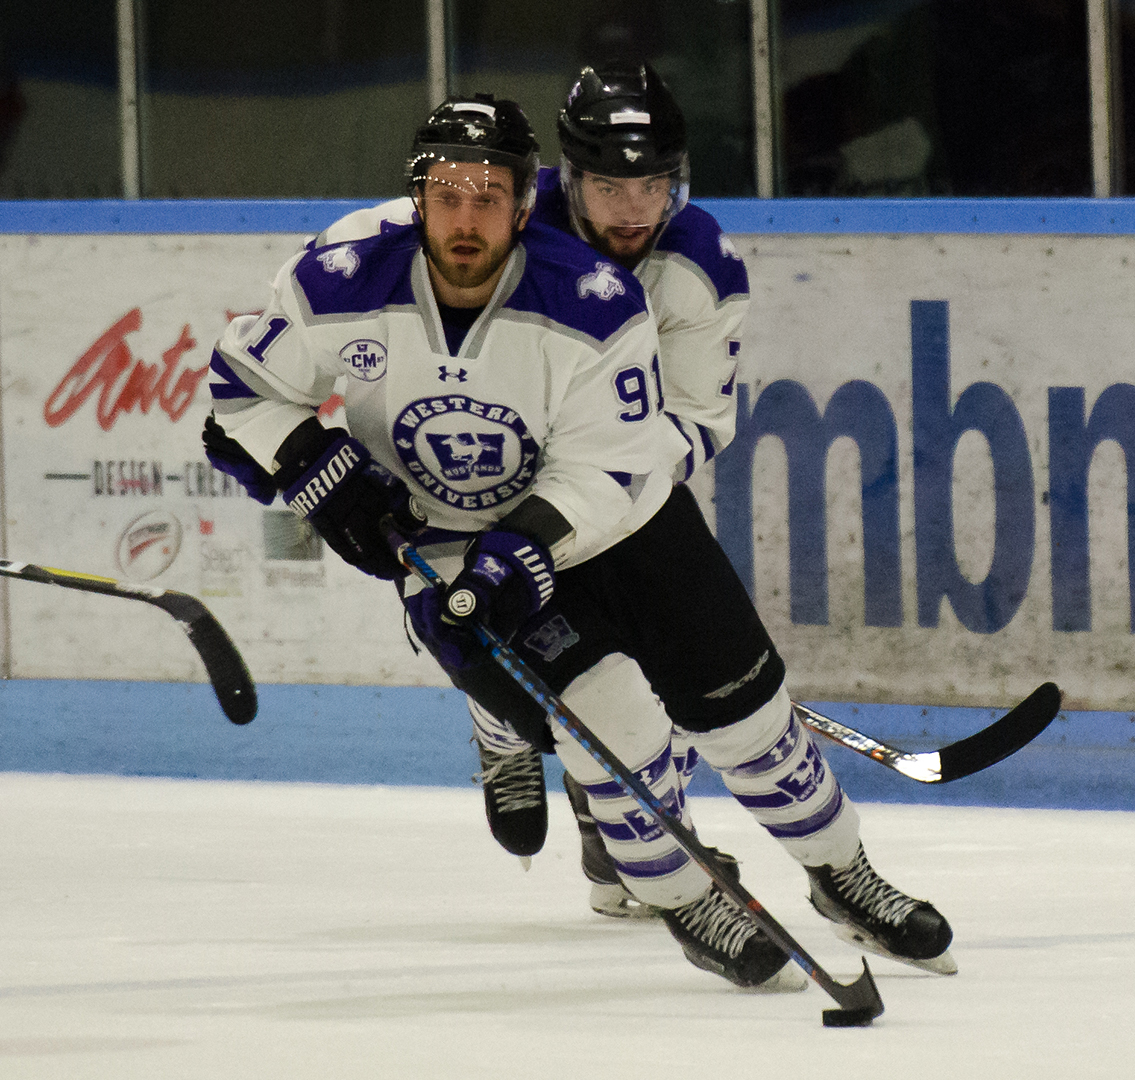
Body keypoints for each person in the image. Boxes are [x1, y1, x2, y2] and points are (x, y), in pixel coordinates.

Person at [201, 93, 955, 989]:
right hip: (451, 550)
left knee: (748, 716)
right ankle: (686, 900)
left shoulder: (594, 301)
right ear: (417, 197)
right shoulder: (340, 276)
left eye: (489, 197)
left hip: (624, 530)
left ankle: (842, 873)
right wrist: (311, 464)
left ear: (527, 204)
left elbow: (616, 465)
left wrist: (525, 541)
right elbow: (242, 389)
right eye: (447, 195)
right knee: (616, 726)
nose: (466, 219)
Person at [296, 63, 749, 923]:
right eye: (609, 184)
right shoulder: (496, 216)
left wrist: (605, 489)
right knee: (532, 657)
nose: (633, 207)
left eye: (653, 183)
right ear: (566, 178)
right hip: (473, 473)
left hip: (594, 489)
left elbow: (693, 420)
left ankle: (627, 844)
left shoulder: (699, 263)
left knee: (641, 685)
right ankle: (503, 725)